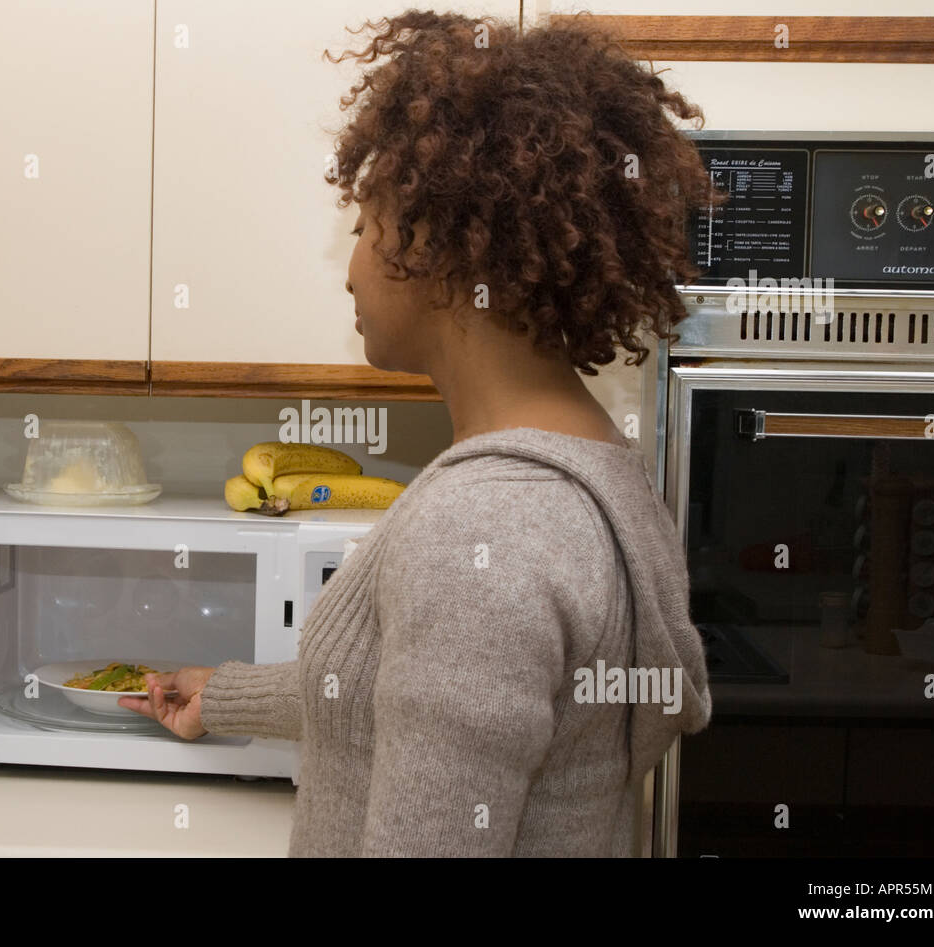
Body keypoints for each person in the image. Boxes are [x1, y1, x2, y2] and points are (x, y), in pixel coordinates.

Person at [119, 10, 718, 856]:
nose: (353, 266)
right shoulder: (596, 472)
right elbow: (438, 697)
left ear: (435, 243)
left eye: (364, 227)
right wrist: (223, 697)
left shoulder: (479, 531)